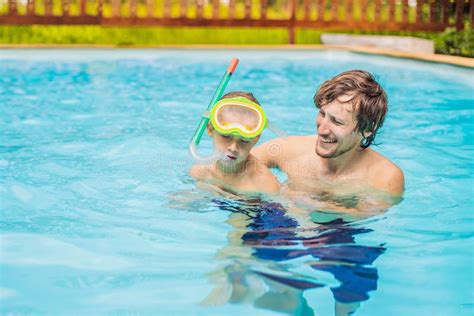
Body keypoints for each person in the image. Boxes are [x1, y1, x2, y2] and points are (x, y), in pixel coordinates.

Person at [252, 70, 404, 210]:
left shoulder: (385, 177)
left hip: (338, 233)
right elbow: (235, 165)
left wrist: (311, 203)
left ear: (367, 130)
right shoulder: (288, 149)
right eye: (322, 114)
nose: (322, 130)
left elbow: (367, 217)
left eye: (337, 122)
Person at [190, 91, 280, 195]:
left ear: (255, 140)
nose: (233, 148)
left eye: (244, 140)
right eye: (226, 136)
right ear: (210, 129)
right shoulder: (200, 171)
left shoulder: (263, 184)